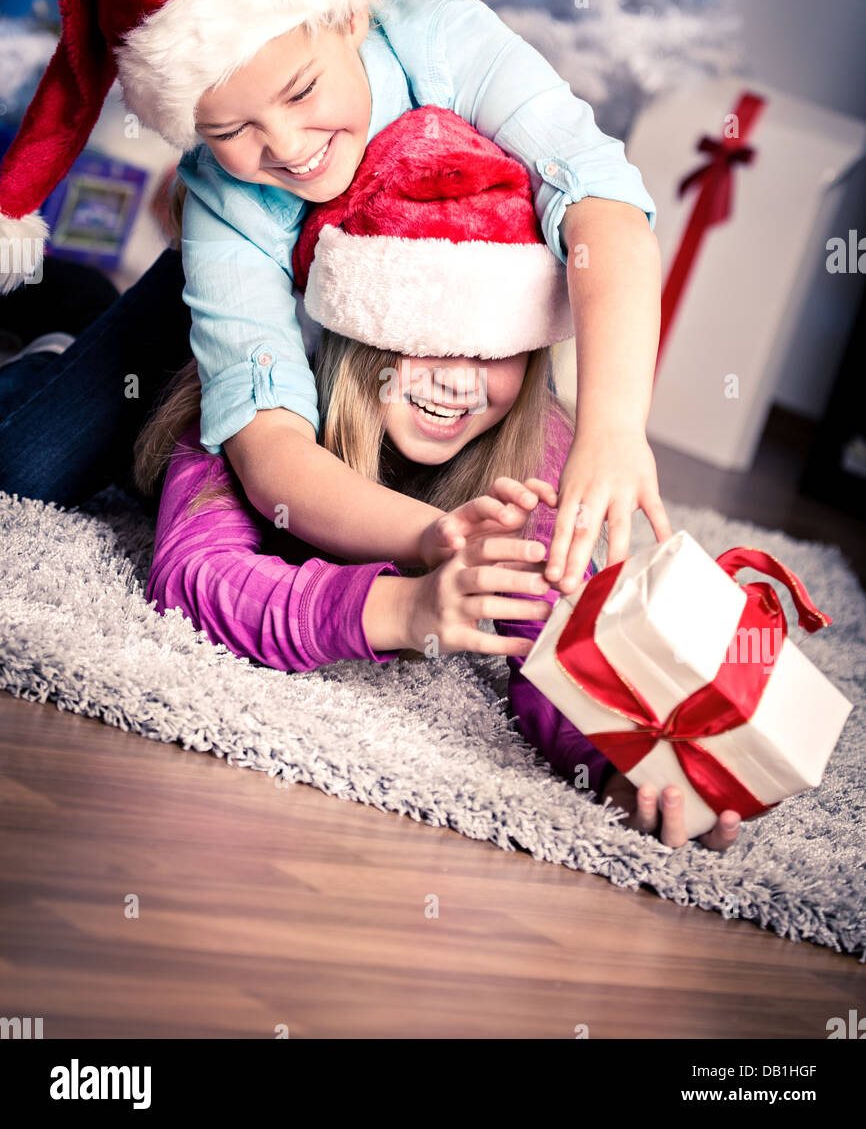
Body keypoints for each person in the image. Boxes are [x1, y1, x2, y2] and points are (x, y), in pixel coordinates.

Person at [0, 0, 670, 595]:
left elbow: (603, 211)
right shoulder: (228, 194)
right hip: (229, 289)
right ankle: (64, 336)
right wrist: (429, 538)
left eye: (302, 90)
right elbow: (273, 450)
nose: (287, 147)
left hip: (381, 355)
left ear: (350, 18)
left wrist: (614, 426)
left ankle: (81, 307)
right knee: (28, 466)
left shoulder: (438, 37)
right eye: (229, 128)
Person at [134, 106, 742, 852]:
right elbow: (194, 578)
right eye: (431, 340)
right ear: (363, 320)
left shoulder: (533, 445)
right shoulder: (259, 387)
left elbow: (551, 636)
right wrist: (403, 608)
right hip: (162, 331)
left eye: (492, 350)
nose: (459, 381)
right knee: (37, 450)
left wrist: (621, 765)